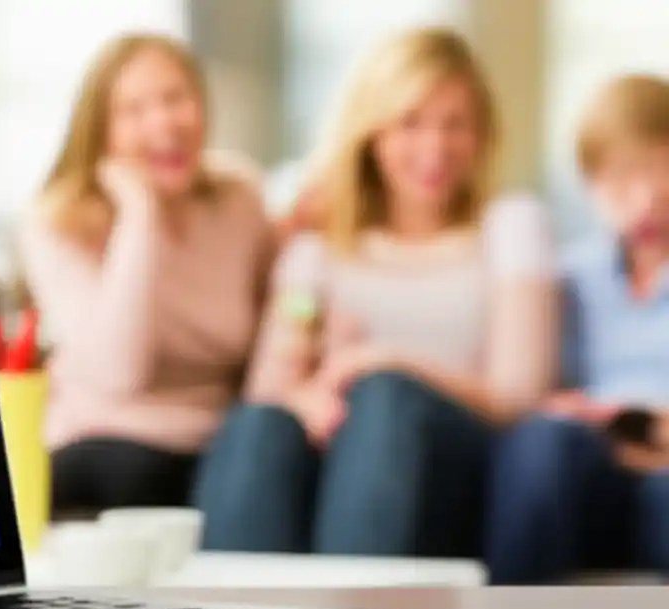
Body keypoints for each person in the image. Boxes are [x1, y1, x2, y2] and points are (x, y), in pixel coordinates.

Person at [193, 27, 557, 557]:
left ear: (482, 135)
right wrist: (309, 397)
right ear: (372, 133)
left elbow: (518, 395)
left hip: (454, 464)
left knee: (386, 399)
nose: (435, 148)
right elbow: (270, 384)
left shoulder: (510, 226)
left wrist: (380, 361)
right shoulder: (320, 246)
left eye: (456, 125)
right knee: (259, 425)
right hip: (338, 451)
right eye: (410, 124)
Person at [17, 35, 272, 514]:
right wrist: (140, 215)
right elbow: (119, 375)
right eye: (133, 110)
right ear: (99, 131)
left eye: (176, 99)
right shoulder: (56, 220)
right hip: (108, 441)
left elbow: (273, 330)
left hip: (217, 444)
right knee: (131, 474)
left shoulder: (240, 199)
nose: (165, 122)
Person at [485, 75, 669, 584]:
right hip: (591, 470)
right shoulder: (567, 278)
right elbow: (539, 393)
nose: (646, 198)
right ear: (590, 184)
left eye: (662, 170)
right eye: (622, 178)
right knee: (541, 444)